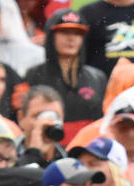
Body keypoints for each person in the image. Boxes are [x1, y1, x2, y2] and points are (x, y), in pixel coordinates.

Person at [21, 10, 107, 139]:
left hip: (88, 148)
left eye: (77, 33)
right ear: (51, 36)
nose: (71, 38)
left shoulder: (97, 77)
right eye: (65, 32)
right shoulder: (33, 75)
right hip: (48, 144)